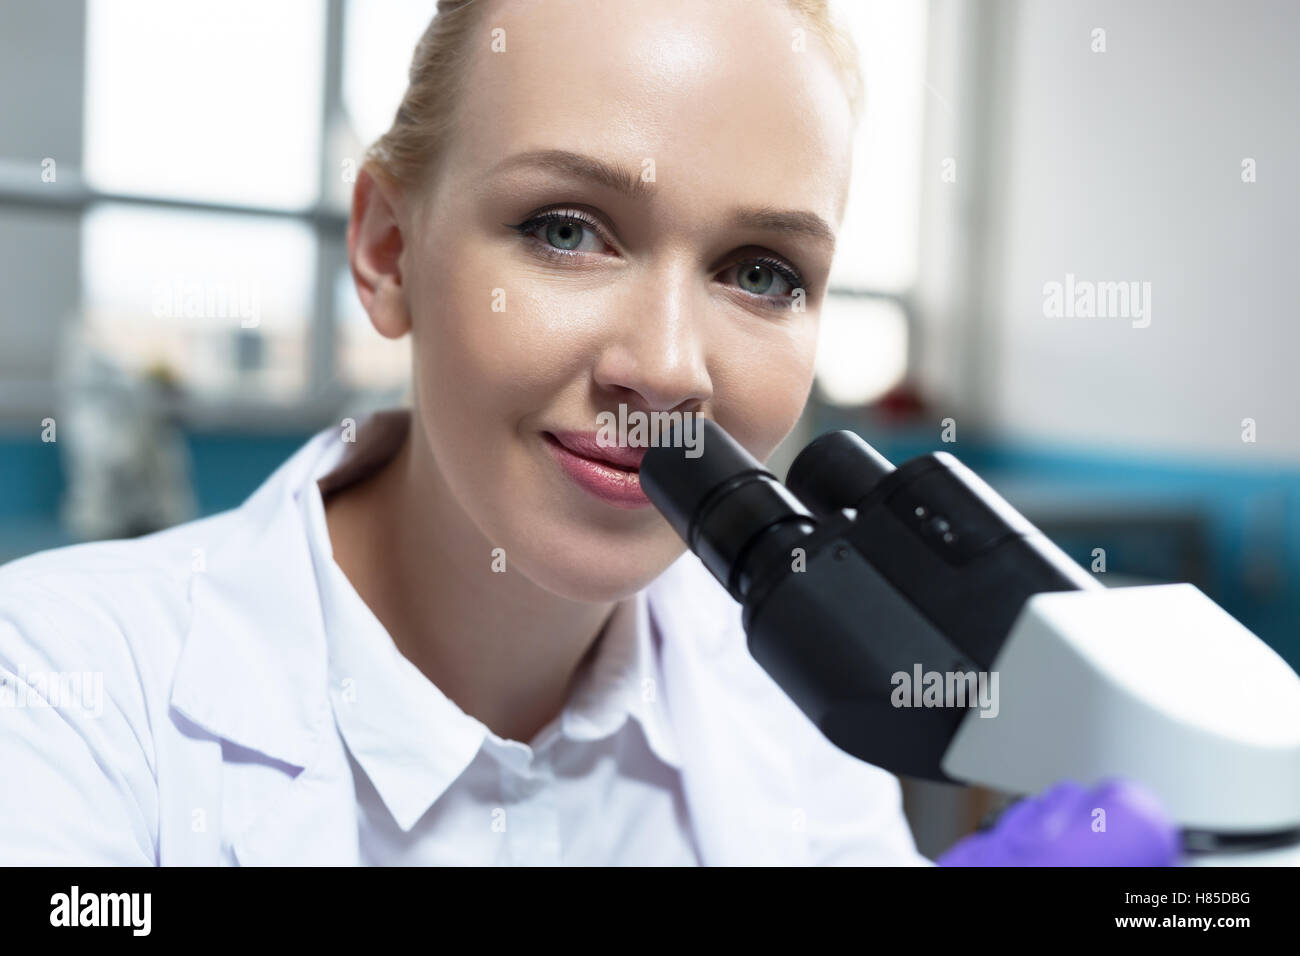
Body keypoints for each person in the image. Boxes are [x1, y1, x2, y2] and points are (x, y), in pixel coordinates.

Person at [0, 0, 1177, 866]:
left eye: (761, 271)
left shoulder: (788, 699)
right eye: (567, 230)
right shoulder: (60, 689)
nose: (665, 367)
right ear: (388, 250)